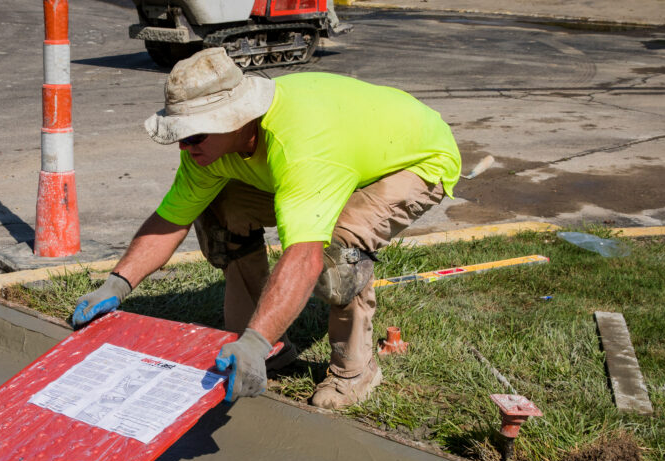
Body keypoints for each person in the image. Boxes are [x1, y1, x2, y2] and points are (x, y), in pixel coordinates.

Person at [72, 47, 461, 409]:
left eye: (193, 135)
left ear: (236, 119)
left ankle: (354, 370)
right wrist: (116, 285)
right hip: (341, 154)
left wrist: (254, 343)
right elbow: (171, 219)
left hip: (414, 161)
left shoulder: (300, 147)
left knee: (338, 247)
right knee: (219, 211)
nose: (184, 147)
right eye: (179, 135)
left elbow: (304, 257)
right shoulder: (206, 149)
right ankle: (263, 348)